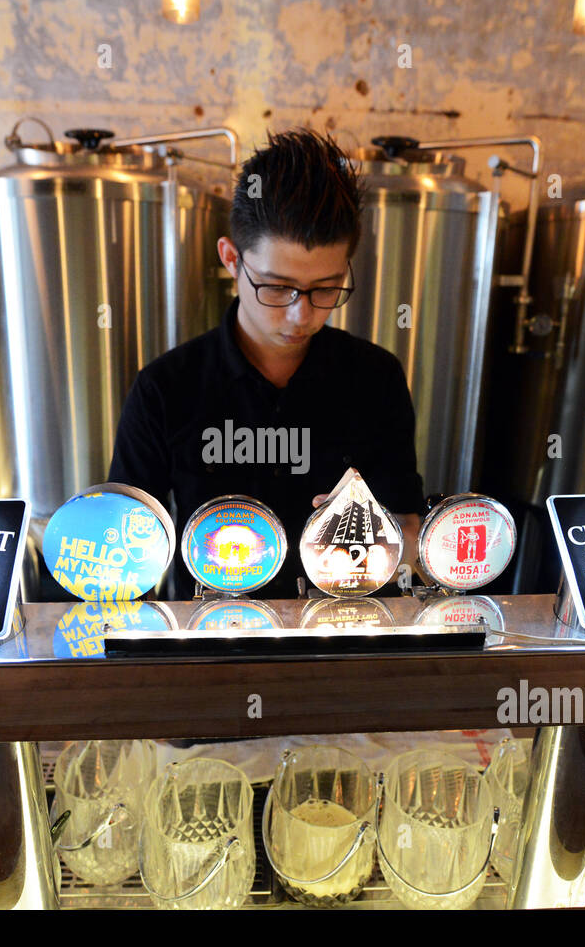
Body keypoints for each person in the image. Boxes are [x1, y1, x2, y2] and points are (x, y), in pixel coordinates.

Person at [108, 128, 424, 599]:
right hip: (210, 643)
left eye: (325, 289)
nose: (301, 315)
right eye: (276, 288)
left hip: (344, 639)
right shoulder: (166, 388)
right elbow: (123, 551)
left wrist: (390, 534)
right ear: (231, 260)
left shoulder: (375, 377)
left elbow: (410, 531)